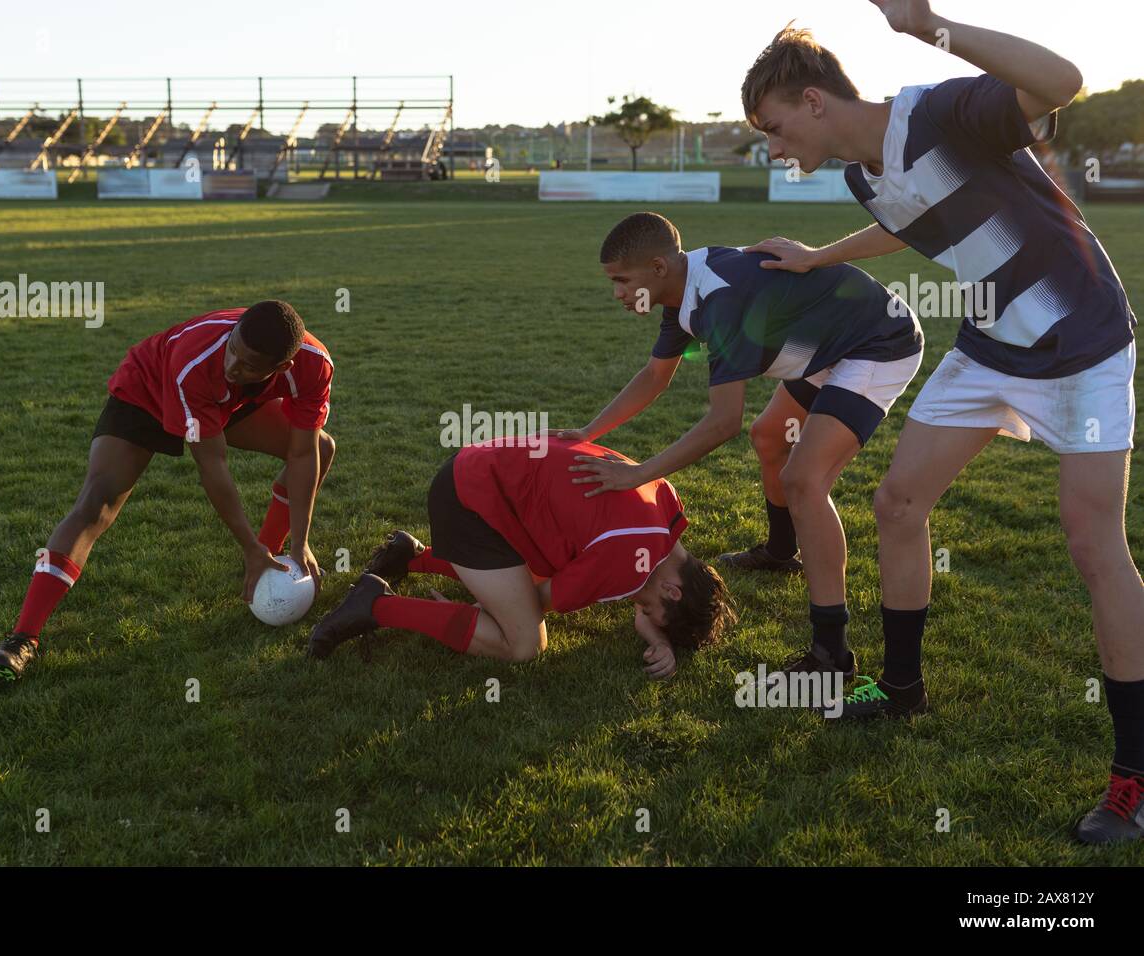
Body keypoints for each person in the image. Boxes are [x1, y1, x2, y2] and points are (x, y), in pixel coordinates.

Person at [741, 5, 1140, 842]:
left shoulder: (941, 112)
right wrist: (819, 258)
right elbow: (900, 224)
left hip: (1082, 342)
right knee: (898, 504)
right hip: (992, 345)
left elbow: (1063, 82)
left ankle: (1134, 779)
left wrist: (927, 25)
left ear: (813, 101)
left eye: (774, 128)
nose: (774, 149)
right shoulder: (862, 173)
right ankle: (902, 688)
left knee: (1092, 548)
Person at [562, 211, 921, 686]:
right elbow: (655, 377)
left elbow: (722, 421)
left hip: (876, 343)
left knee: (803, 481)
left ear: (658, 268)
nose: (618, 294)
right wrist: (588, 433)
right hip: (829, 344)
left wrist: (637, 474)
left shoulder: (719, 299)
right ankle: (779, 550)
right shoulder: (684, 290)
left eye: (622, 280)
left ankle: (831, 651)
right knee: (770, 436)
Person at [0, 300, 335, 681]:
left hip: (228, 401)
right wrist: (246, 543)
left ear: (282, 367)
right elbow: (212, 464)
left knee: (322, 447)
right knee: (97, 503)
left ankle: (265, 561)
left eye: (249, 364)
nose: (234, 365)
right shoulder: (198, 359)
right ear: (233, 334)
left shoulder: (314, 365)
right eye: (234, 349)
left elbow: (302, 453)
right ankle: (23, 639)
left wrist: (299, 545)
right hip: (149, 391)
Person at [308, 436, 733, 677]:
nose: (635, 608)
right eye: (646, 608)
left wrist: (659, 636)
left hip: (486, 475)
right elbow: (537, 601)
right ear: (674, 591)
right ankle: (375, 606)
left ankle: (410, 557)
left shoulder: (666, 508)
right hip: (472, 501)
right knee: (525, 642)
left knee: (536, 572)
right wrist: (486, 612)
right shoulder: (626, 560)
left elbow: (636, 583)